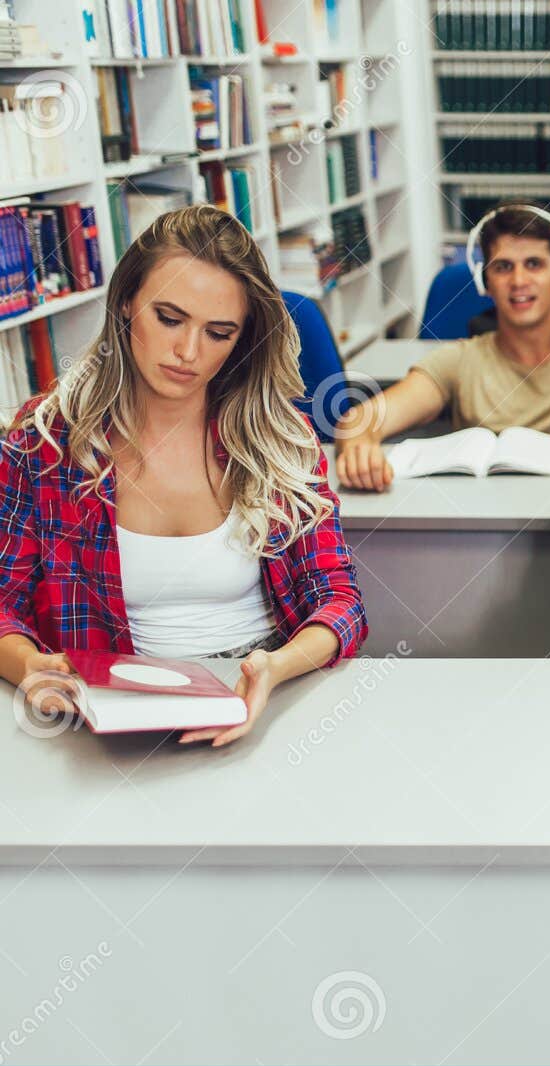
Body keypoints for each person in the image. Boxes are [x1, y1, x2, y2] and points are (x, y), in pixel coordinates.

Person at [0, 204, 367, 745]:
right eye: (168, 319)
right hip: (115, 708)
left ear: (241, 340)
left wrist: (274, 668)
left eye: (218, 333)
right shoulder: (46, 441)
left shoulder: (279, 438)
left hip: (269, 695)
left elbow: (341, 599)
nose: (188, 352)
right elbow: (3, 601)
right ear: (127, 303)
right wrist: (32, 668)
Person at [334, 202, 550, 491]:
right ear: (486, 282)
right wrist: (359, 447)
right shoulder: (460, 359)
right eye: (503, 267)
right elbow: (359, 419)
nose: (519, 281)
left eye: (534, 264)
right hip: (487, 535)